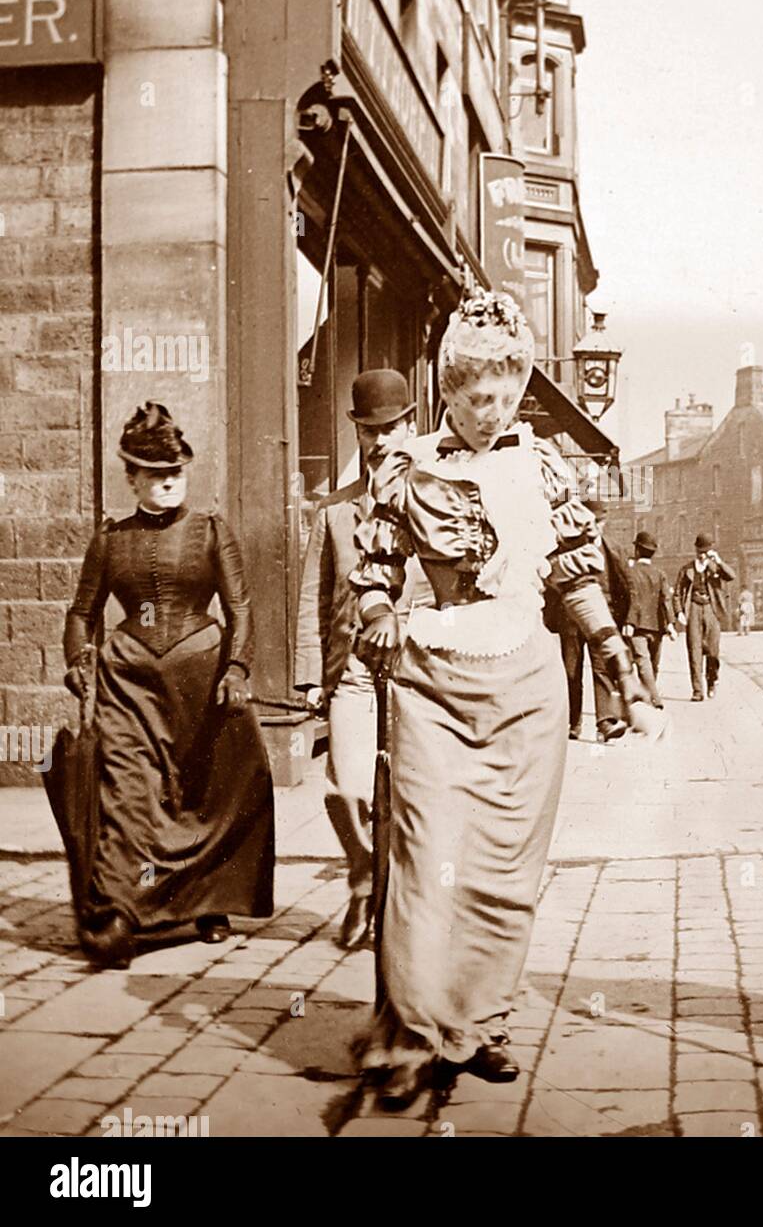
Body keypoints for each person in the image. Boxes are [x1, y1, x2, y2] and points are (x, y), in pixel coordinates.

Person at [350, 290, 656, 1105]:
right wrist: (379, 612)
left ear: (520, 388)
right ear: (448, 391)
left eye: (505, 392)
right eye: (474, 394)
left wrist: (614, 654)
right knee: (428, 853)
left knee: (504, 866)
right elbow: (373, 571)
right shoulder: (407, 468)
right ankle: (415, 1034)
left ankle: (481, 1022)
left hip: (526, 682)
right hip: (434, 682)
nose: (490, 410)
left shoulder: (545, 466)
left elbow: (574, 572)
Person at [62, 402, 274, 969]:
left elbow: (241, 608)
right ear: (131, 477)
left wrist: (237, 670)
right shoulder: (110, 539)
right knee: (126, 792)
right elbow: (82, 612)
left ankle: (208, 902)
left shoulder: (210, 530)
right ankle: (118, 914)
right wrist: (81, 661)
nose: (167, 485)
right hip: (128, 683)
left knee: (211, 792)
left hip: (201, 685)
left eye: (175, 474)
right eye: (154, 477)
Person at [294, 370, 431, 950]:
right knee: (345, 787)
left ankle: (396, 904)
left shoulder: (437, 507)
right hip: (351, 670)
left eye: (391, 428)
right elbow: (309, 599)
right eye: (369, 431)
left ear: (411, 426)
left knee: (410, 797)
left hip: (420, 671)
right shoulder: (334, 511)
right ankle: (360, 875)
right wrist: (308, 677)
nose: (379, 442)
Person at [559, 499, 632, 742]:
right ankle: (573, 722)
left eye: (598, 522)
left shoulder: (614, 549)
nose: (594, 528)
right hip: (571, 619)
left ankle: (606, 722)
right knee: (571, 671)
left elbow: (627, 585)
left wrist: (623, 618)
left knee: (602, 668)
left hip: (604, 617)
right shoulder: (567, 546)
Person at [675, 534, 734, 701]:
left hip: (711, 609)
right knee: (694, 650)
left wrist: (719, 561)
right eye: (700, 551)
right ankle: (697, 690)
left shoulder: (715, 568)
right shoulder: (687, 569)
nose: (702, 555)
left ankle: (712, 681)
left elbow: (731, 576)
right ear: (695, 550)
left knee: (713, 652)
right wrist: (679, 612)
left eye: (706, 552)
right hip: (693, 608)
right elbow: (677, 593)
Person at [623, 530, 677, 708]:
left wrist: (629, 622)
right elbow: (665, 599)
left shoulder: (631, 572)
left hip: (637, 626)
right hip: (657, 627)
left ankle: (653, 700)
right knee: (652, 665)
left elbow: (633, 597)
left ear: (637, 550)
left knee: (644, 665)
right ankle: (652, 698)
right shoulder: (660, 573)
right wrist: (670, 623)